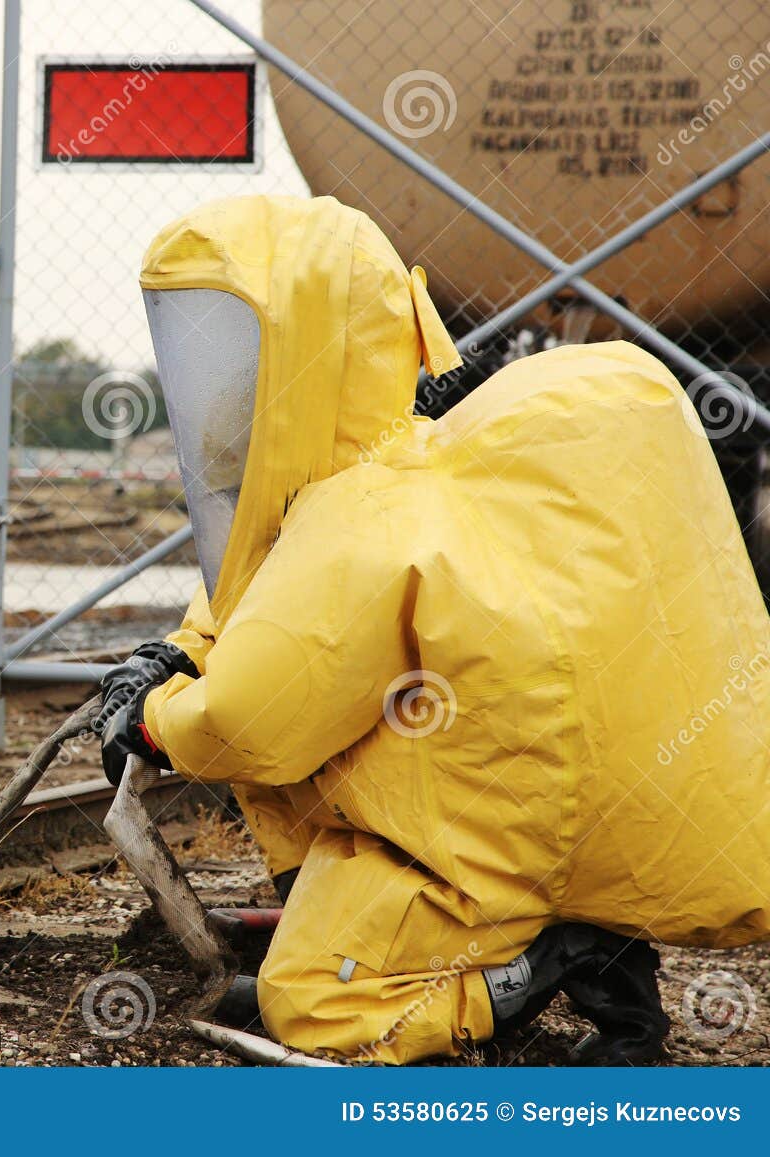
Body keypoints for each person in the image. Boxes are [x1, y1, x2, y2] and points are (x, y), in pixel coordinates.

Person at [98, 194, 770, 1065]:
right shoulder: (394, 467)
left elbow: (248, 721)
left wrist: (154, 714)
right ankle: (526, 936)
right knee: (292, 802)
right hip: (500, 794)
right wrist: (184, 653)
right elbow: (261, 601)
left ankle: (540, 956)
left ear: (301, 346)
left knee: (314, 1002)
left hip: (487, 831)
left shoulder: (362, 513)